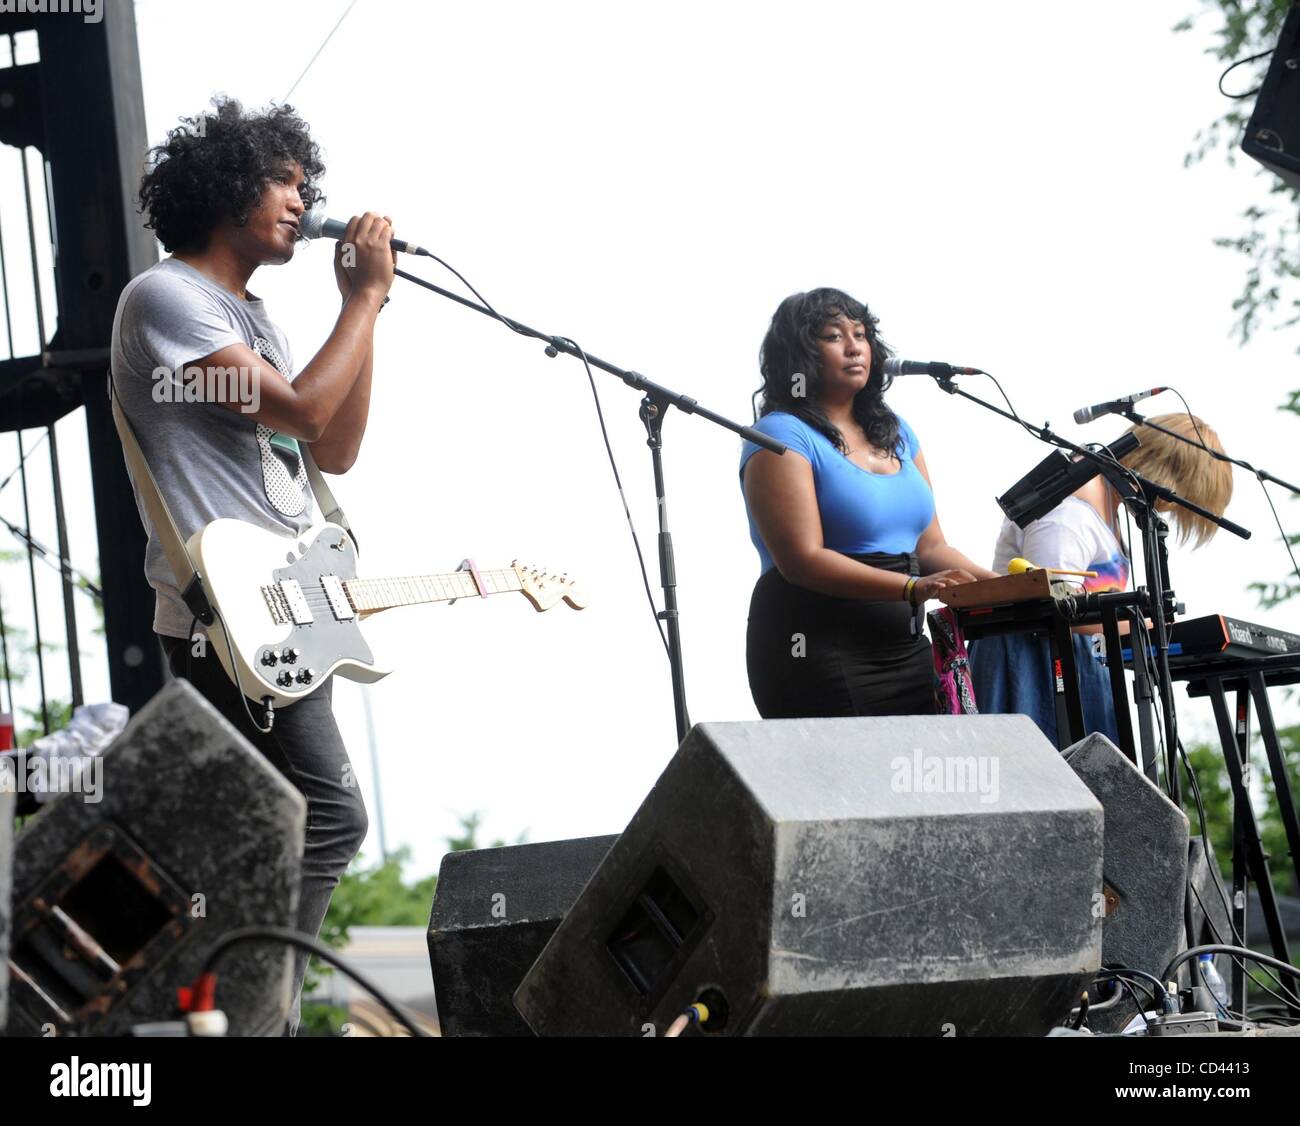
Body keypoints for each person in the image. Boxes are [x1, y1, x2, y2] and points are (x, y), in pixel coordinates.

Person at [110, 97, 395, 1034]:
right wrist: (358, 300)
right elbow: (306, 413)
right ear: (230, 188)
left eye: (305, 186)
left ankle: (216, 1011)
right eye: (286, 182)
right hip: (223, 615)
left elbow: (335, 449)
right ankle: (249, 1020)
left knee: (262, 834)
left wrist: (372, 316)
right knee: (327, 814)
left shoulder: (254, 318)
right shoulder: (167, 303)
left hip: (277, 606)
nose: (303, 201)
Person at [739, 287, 997, 719]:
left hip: (904, 646)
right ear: (800, 354)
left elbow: (930, 548)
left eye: (860, 334)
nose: (854, 346)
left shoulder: (896, 433)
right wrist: (912, 588)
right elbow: (801, 560)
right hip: (815, 647)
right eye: (833, 336)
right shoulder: (779, 436)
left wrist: (1003, 589)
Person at [968, 413, 1234, 745]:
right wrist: (1146, 625)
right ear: (1167, 477)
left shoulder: (1108, 500)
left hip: (1077, 666)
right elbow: (1052, 604)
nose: (1166, 509)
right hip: (1033, 669)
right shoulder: (1073, 506)